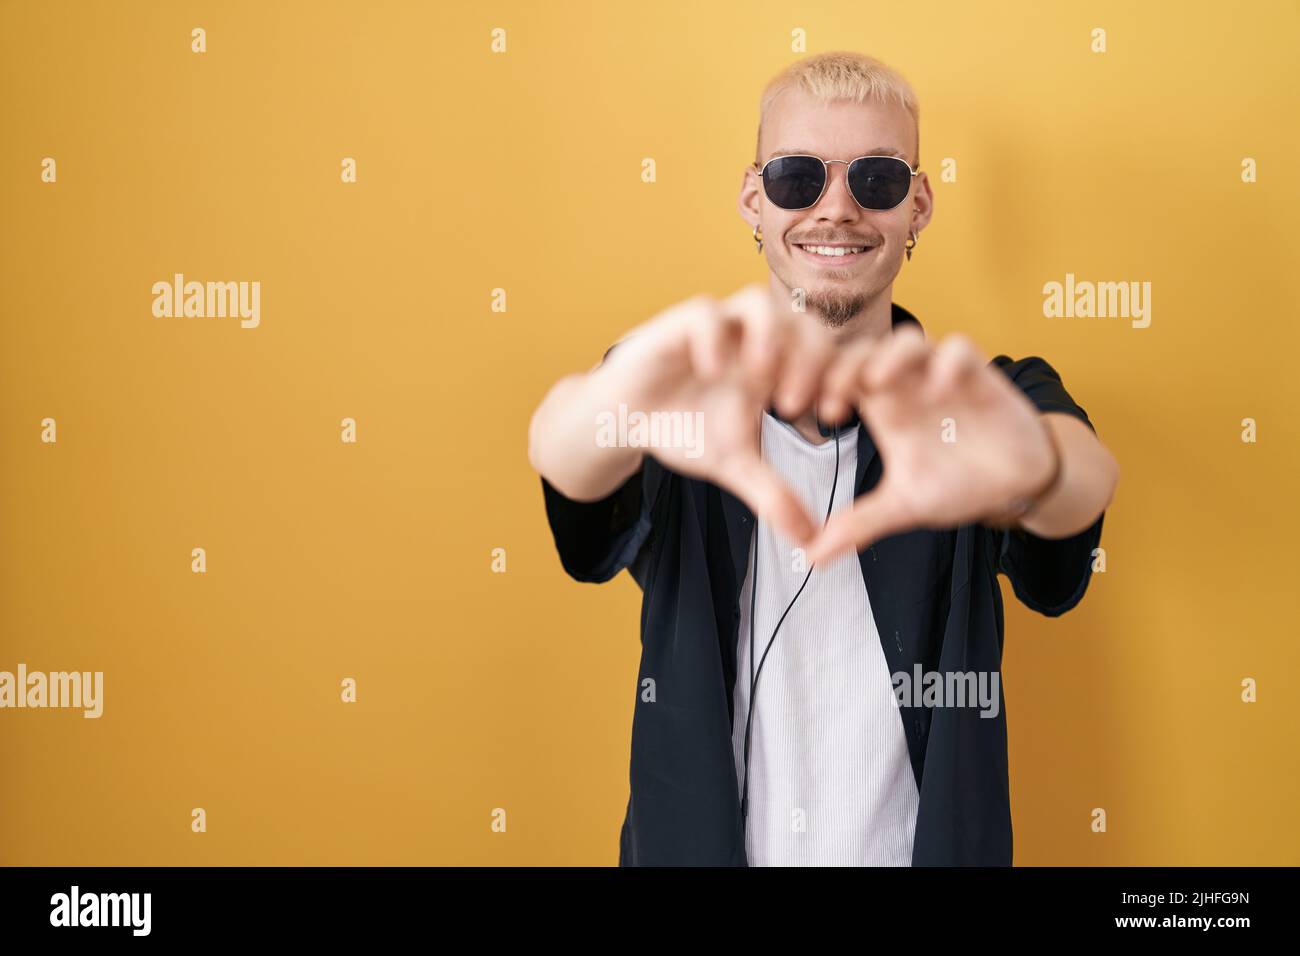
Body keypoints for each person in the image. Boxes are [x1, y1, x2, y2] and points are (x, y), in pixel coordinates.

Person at [527, 51, 1119, 866]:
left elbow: (1083, 483)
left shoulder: (983, 404)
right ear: (753, 200)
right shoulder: (676, 392)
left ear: (918, 205)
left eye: (875, 179)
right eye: (797, 176)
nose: (835, 209)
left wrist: (1040, 470)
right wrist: (617, 393)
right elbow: (564, 452)